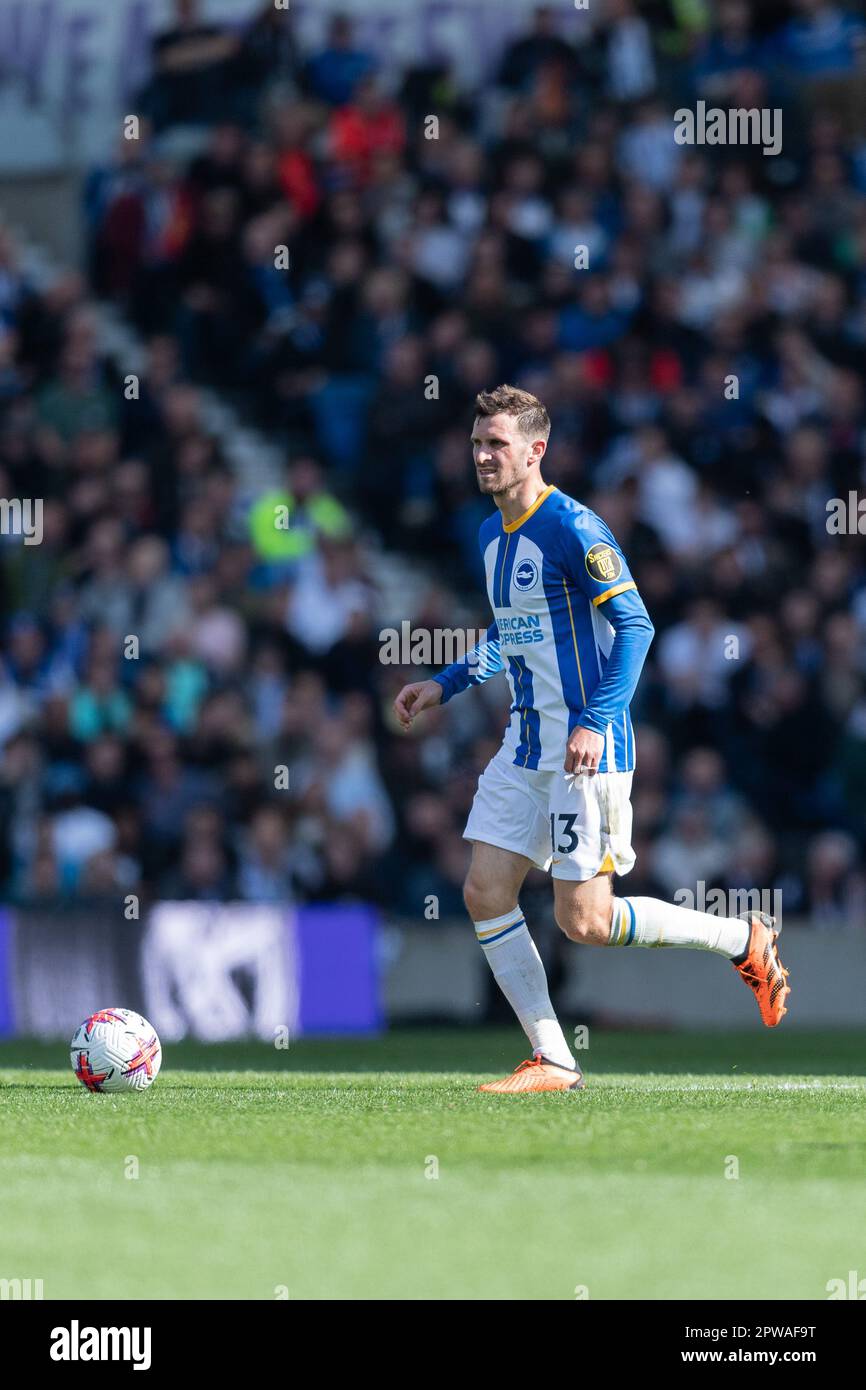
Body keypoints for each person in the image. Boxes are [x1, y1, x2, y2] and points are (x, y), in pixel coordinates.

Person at [393, 386, 790, 1094]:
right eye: (478, 443)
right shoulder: (491, 535)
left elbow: (637, 626)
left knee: (587, 921)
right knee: (485, 891)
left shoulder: (575, 528)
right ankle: (552, 1058)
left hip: (586, 750)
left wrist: (594, 720)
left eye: (498, 445)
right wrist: (446, 683)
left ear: (535, 451)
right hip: (524, 745)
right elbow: (511, 632)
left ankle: (744, 939)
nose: (483, 456)